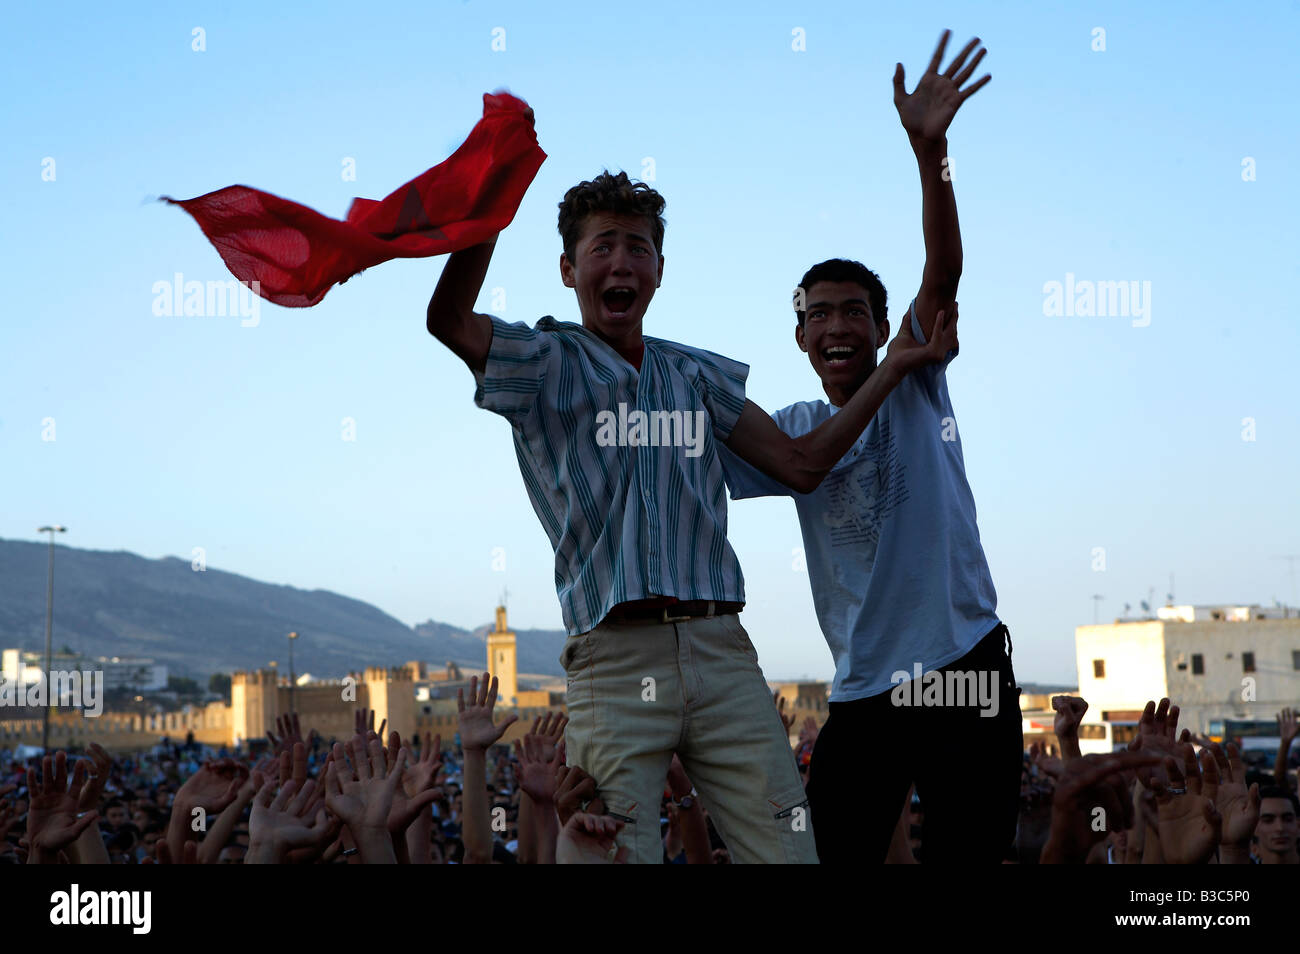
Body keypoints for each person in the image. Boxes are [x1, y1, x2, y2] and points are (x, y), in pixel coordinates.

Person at [425, 142, 956, 861]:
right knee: (606, 849)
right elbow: (450, 320)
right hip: (613, 660)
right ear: (568, 270)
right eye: (602, 246)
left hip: (722, 653)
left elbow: (803, 463)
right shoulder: (544, 362)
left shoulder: (697, 375)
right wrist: (489, 210)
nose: (621, 262)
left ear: (659, 271)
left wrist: (893, 366)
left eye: (638, 248)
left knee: (792, 850)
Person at [717, 31, 1021, 863]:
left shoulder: (916, 374)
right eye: (820, 313)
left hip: (961, 668)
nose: (838, 325)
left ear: (887, 328)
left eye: (855, 310)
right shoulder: (788, 425)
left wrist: (933, 152)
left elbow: (944, 268)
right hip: (863, 690)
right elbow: (702, 463)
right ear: (801, 336)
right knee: (834, 853)